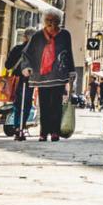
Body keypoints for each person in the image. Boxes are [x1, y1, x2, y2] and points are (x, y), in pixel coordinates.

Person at [12, 12, 75, 142]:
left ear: (59, 21)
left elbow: (69, 53)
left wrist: (72, 71)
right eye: (48, 20)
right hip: (42, 76)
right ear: (44, 21)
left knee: (56, 105)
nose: (50, 22)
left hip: (58, 75)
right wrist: (26, 67)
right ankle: (44, 132)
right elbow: (27, 53)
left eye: (54, 20)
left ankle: (55, 132)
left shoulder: (64, 35)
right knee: (44, 105)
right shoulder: (37, 36)